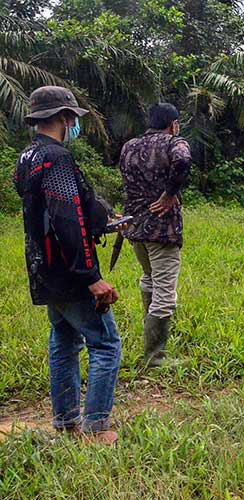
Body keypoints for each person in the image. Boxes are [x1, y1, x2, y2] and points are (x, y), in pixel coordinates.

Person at [14, 86, 123, 445]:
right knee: (106, 344)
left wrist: (102, 215)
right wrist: (91, 277)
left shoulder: (27, 156)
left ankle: (64, 421)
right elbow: (65, 219)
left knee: (63, 340)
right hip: (70, 270)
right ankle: (96, 427)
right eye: (72, 118)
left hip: (43, 268)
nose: (74, 124)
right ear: (64, 118)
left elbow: (55, 209)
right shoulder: (58, 158)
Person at [118, 103, 192, 369]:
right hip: (162, 230)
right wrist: (169, 194)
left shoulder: (129, 146)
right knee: (165, 293)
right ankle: (154, 358)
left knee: (148, 278)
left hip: (135, 227)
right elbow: (183, 160)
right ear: (173, 123)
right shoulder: (174, 143)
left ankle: (151, 348)